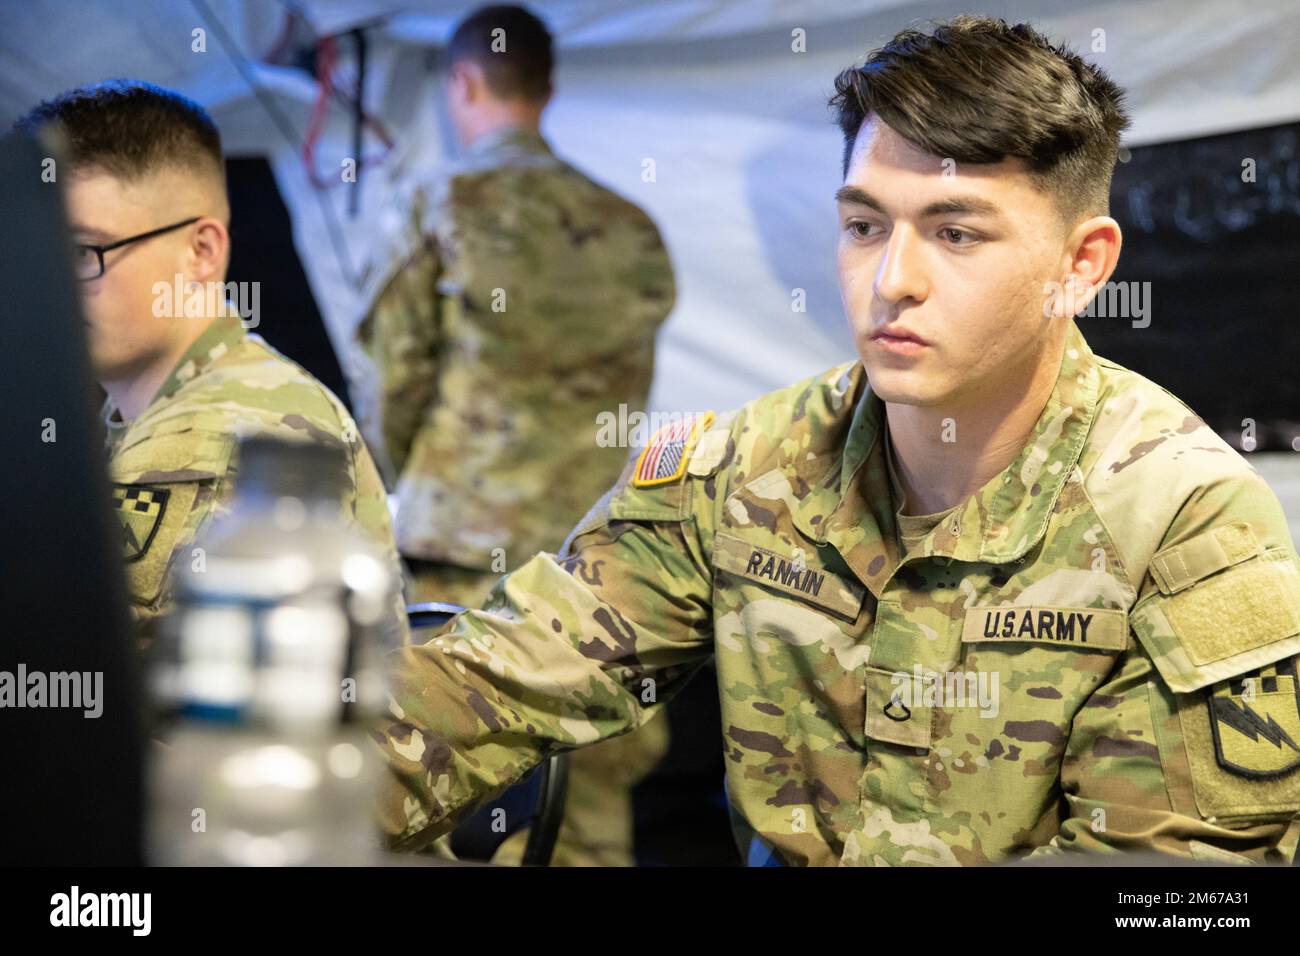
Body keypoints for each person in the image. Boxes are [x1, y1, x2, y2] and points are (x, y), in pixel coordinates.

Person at [373, 15, 1300, 866]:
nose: (891, 279)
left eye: (956, 234)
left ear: (1081, 266)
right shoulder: (744, 470)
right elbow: (495, 682)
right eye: (864, 226)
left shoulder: (1184, 524)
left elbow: (1177, 894)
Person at [357, 6, 677, 865]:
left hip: (459, 551)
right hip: (601, 562)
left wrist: (423, 479)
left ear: (462, 83)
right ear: (548, 87)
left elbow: (394, 379)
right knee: (592, 800)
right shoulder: (630, 227)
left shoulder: (437, 199)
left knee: (438, 789)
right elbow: (628, 391)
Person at [16, 80, 406, 647]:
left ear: (200, 254)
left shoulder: (216, 433)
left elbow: (72, 685)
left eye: (81, 253)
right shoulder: (160, 405)